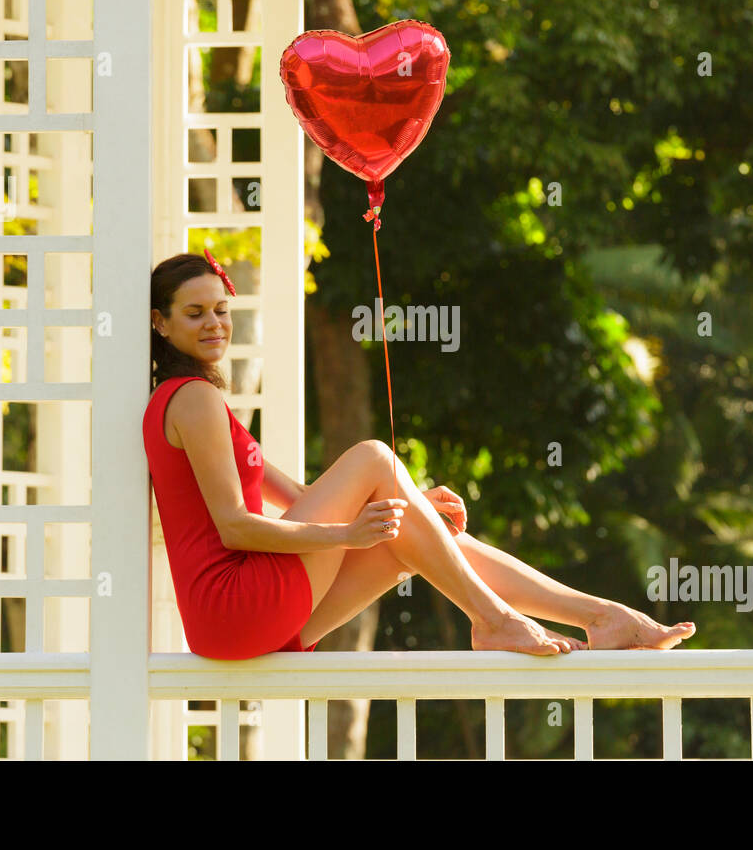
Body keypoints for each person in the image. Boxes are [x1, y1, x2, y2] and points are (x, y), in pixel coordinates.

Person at [146, 250, 696, 660]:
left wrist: (410, 502)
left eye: (220, 309)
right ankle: (495, 620)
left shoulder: (195, 403)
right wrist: (346, 534)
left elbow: (304, 500)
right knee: (375, 458)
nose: (214, 323)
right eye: (194, 313)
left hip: (244, 622)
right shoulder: (192, 400)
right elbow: (236, 528)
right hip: (234, 607)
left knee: (418, 531)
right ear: (160, 323)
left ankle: (601, 617)